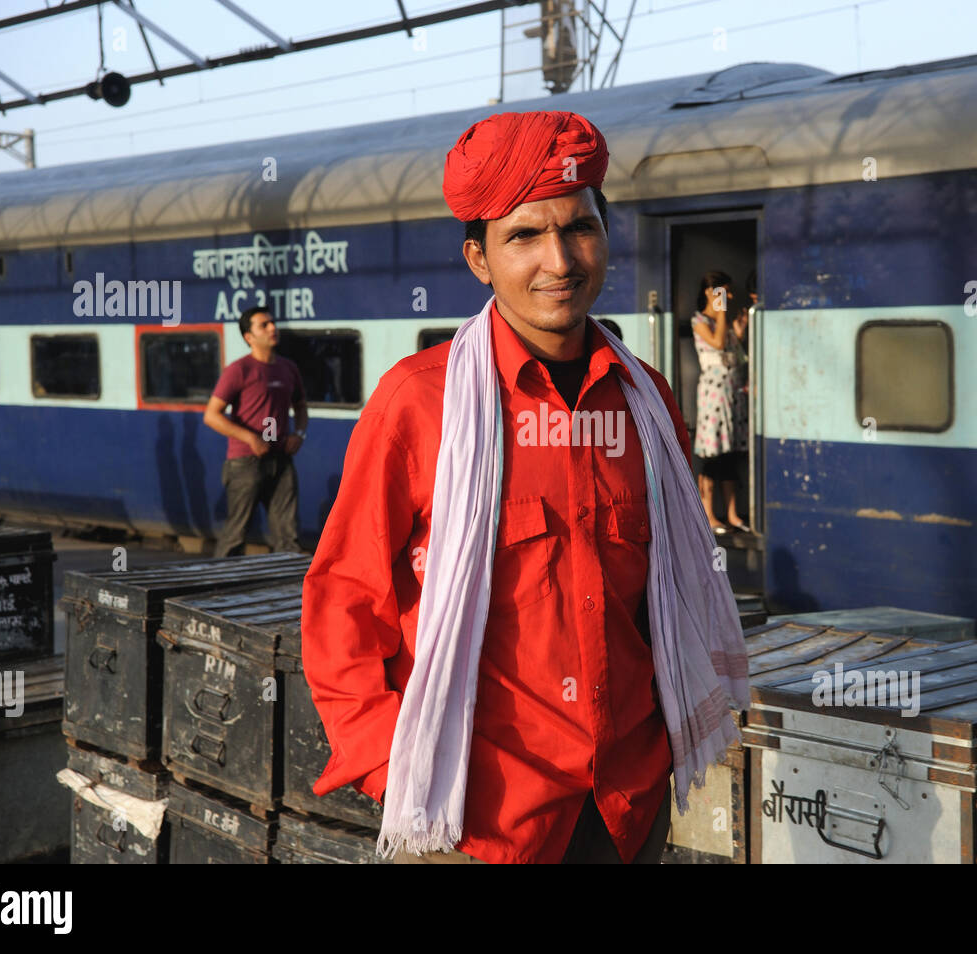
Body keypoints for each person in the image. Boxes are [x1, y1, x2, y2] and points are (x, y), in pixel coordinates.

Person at [301, 110, 748, 864]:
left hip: (625, 807)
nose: (560, 260)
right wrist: (395, 765)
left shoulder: (646, 400)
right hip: (480, 823)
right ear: (478, 258)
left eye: (580, 228)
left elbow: (665, 591)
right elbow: (345, 600)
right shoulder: (418, 404)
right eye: (524, 237)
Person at [203, 307, 307, 557]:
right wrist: (250, 438)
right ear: (249, 337)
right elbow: (212, 415)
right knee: (236, 536)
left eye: (273, 322)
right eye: (264, 325)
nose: (273, 328)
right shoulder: (239, 370)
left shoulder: (288, 368)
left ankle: (287, 589)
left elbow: (300, 405)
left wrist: (299, 434)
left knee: (288, 535)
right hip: (245, 463)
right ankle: (219, 589)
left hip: (281, 459)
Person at [691, 270, 749, 533]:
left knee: (730, 453)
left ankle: (732, 513)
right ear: (709, 293)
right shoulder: (699, 321)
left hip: (732, 392)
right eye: (724, 292)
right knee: (712, 453)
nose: (729, 297)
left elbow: (733, 353)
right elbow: (715, 344)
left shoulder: (722, 323)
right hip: (713, 394)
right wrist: (723, 313)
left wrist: (740, 332)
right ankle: (708, 514)